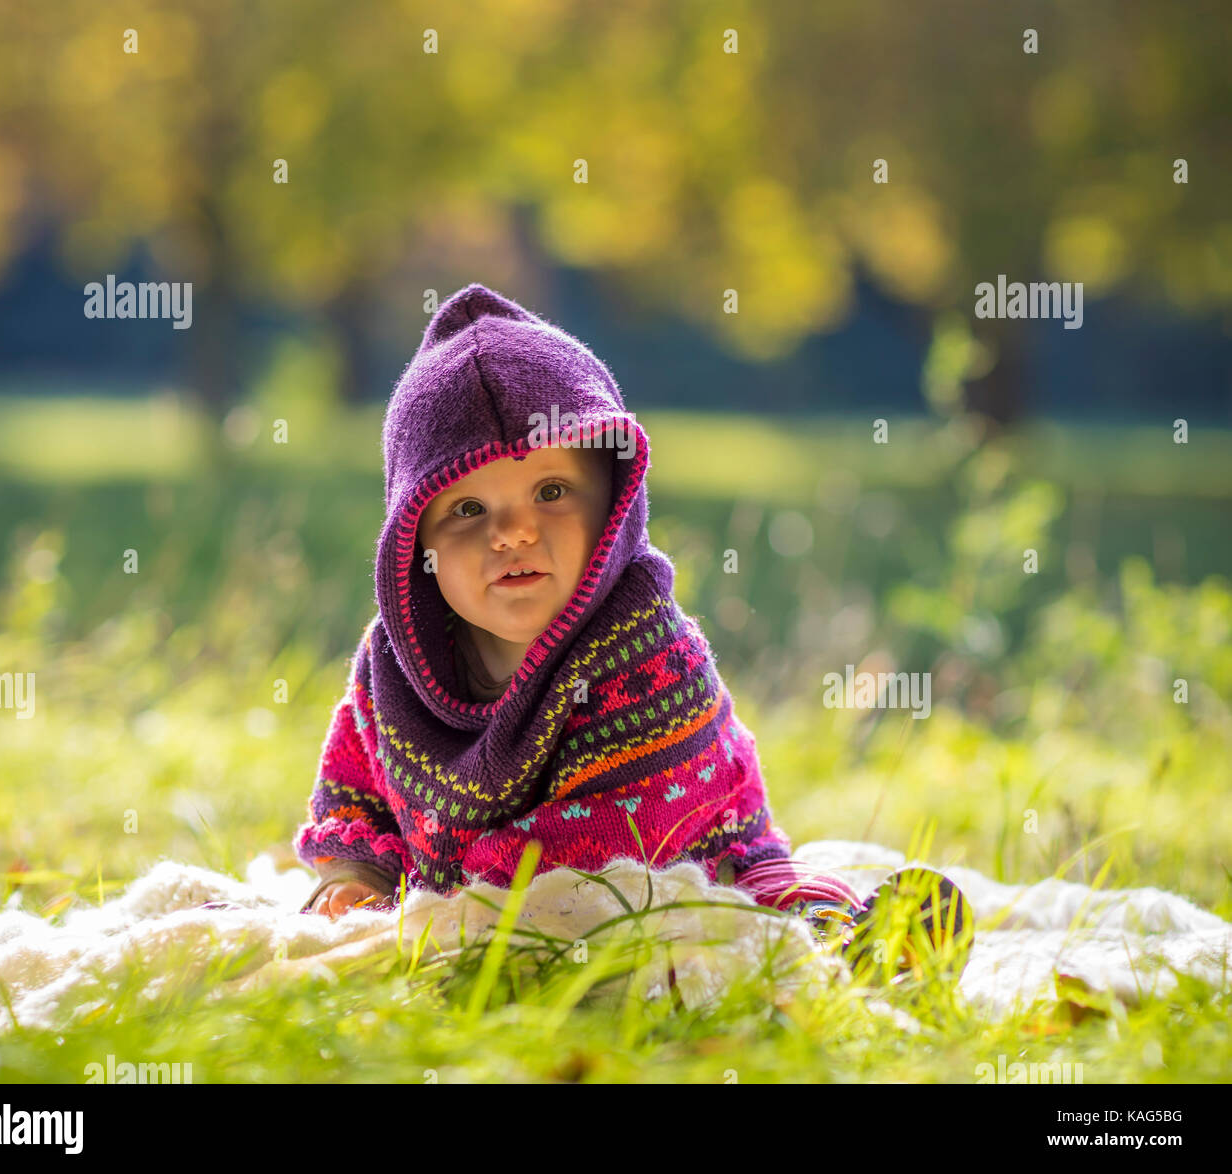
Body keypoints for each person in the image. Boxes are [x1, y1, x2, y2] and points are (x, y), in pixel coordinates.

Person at [291, 283, 972, 983]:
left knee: (760, 919)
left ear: (613, 505)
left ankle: (876, 940)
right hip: (476, 897)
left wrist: (463, 895)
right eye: (468, 507)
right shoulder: (394, 671)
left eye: (551, 493)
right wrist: (356, 875)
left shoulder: (647, 650)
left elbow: (627, 822)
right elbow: (356, 783)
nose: (514, 532)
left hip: (687, 860)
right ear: (414, 547)